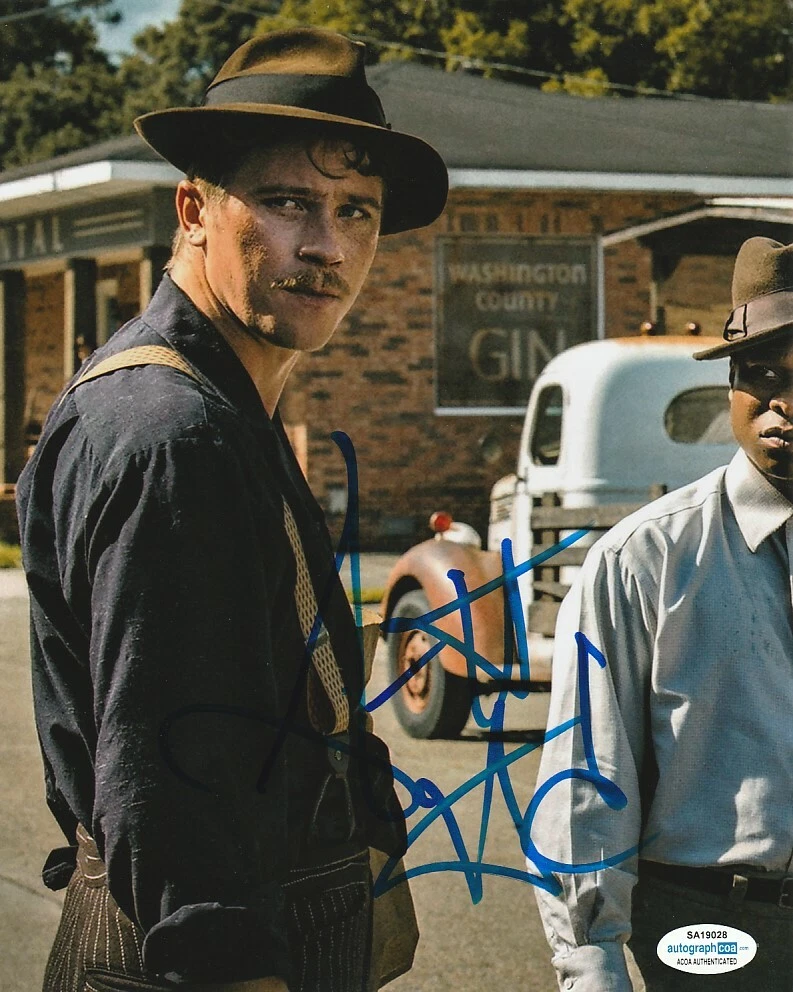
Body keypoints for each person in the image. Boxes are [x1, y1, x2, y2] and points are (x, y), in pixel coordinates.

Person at [16, 28, 447, 992]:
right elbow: (169, 783)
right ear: (193, 208)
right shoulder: (172, 433)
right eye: (288, 202)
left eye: (357, 211)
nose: (326, 246)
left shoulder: (223, 405)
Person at [528, 235, 793, 991]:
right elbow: (587, 775)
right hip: (712, 927)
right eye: (761, 375)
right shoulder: (644, 559)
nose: (781, 403)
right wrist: (591, 965)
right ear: (731, 386)